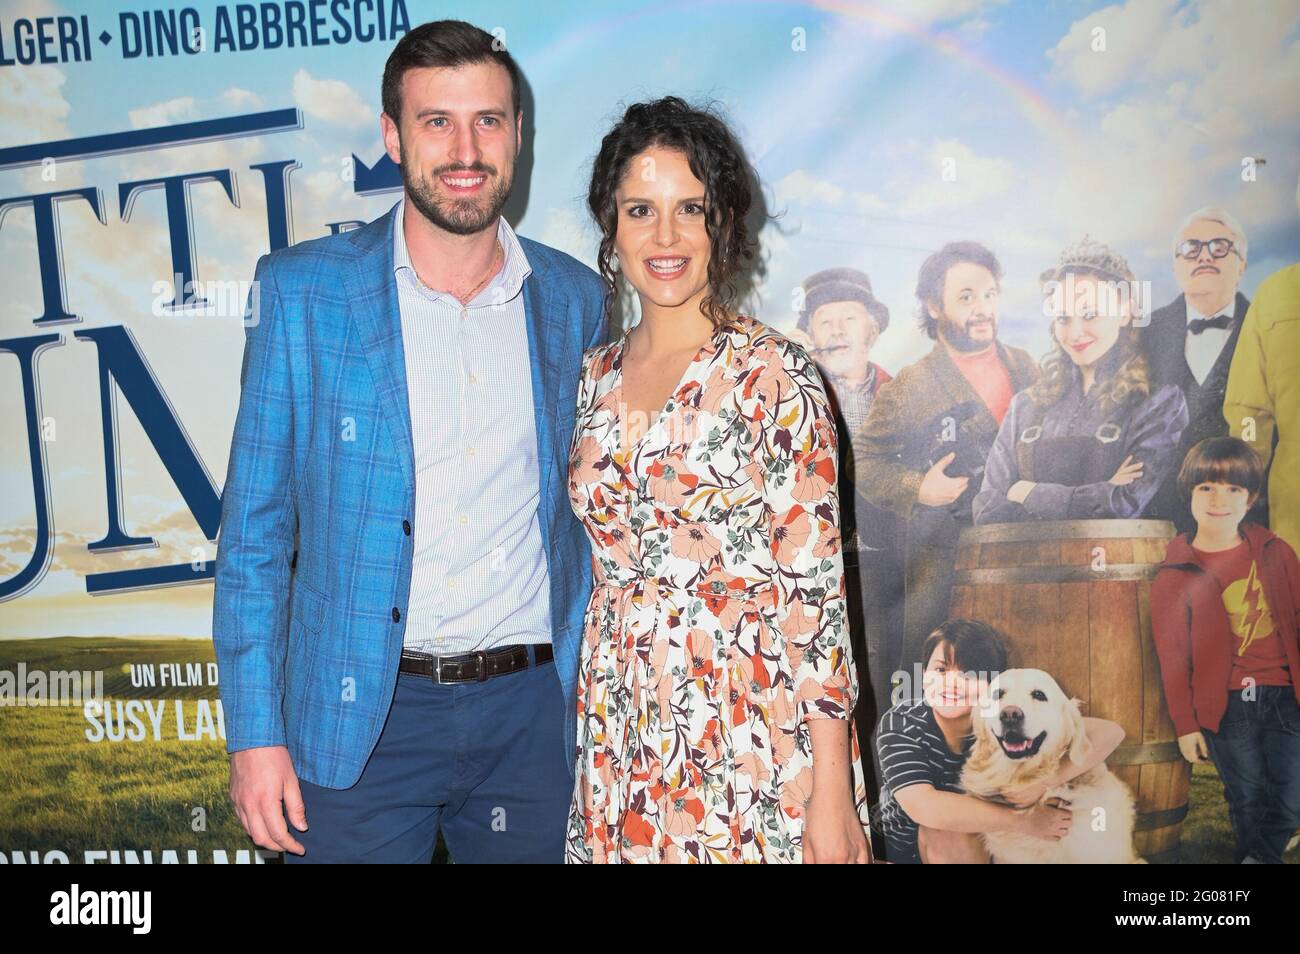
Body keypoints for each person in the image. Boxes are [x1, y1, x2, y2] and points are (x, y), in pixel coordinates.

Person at [212, 20, 606, 863]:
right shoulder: (302, 293)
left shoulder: (575, 300)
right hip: (360, 718)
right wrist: (254, 736)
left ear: (517, 133)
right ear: (392, 137)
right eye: (437, 122)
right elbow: (252, 536)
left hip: (531, 721)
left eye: (488, 121)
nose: (465, 148)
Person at [565, 96, 871, 863]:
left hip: (751, 727)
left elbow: (817, 602)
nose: (664, 237)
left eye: (689, 209)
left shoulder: (775, 373)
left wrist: (832, 794)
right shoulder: (591, 377)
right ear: (612, 226)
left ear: (722, 224)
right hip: (622, 722)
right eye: (641, 209)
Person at [853, 241, 1038, 677]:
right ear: (934, 306)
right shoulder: (910, 385)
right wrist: (918, 487)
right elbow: (860, 459)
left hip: (1022, 557)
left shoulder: (1027, 367)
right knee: (933, 682)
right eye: (966, 297)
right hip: (943, 567)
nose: (983, 308)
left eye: (990, 294)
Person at [1151, 437, 1300, 864]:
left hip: (1284, 694)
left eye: (1234, 489)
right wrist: (1185, 726)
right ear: (1190, 493)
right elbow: (1173, 659)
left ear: (1251, 498)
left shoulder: (1275, 553)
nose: (1220, 499)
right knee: (1247, 795)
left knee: (1292, 793)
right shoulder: (1175, 574)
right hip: (1226, 703)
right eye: (1207, 488)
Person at [973, 237, 1190, 524]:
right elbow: (986, 509)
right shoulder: (1024, 407)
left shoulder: (1159, 404)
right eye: (1063, 318)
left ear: (1124, 311)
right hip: (1023, 568)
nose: (1075, 333)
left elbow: (1123, 504)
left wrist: (1026, 491)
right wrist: (1099, 491)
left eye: (1090, 314)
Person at [872, 619, 1125, 863]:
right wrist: (1025, 822)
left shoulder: (997, 722)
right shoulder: (902, 723)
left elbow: (1110, 733)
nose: (951, 683)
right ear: (924, 673)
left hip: (985, 841)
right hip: (904, 851)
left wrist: (1043, 782)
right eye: (940, 670)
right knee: (948, 833)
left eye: (969, 674)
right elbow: (926, 807)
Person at [786, 268, 903, 736]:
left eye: (849, 319)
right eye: (824, 321)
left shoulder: (902, 393)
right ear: (809, 334)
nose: (836, 331)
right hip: (812, 574)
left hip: (890, 574)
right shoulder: (788, 391)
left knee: (886, 681)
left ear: (871, 331)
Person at [1146, 208, 1254, 533]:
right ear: (1176, 265)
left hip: (1246, 519)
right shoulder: (1142, 334)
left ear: (1242, 267)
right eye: (1191, 248)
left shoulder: (1265, 327)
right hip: (1158, 520)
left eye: (1219, 246)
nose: (1204, 256)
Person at [1225, 262, 1300, 553]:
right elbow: (1249, 414)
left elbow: (1249, 410)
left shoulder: (1276, 292)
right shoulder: (1275, 292)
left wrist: (1239, 487)